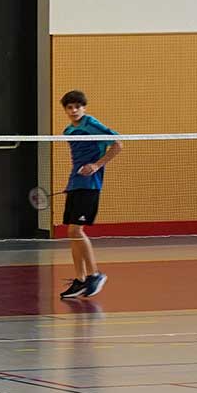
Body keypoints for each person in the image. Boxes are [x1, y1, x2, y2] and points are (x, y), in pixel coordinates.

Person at [57, 90, 122, 299]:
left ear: (84, 107)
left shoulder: (90, 123)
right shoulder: (67, 131)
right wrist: (72, 183)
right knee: (71, 232)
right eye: (69, 107)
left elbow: (118, 143)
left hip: (91, 184)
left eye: (77, 106)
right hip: (76, 183)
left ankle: (95, 274)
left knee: (76, 230)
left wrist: (96, 165)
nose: (74, 110)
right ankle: (80, 280)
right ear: (65, 110)